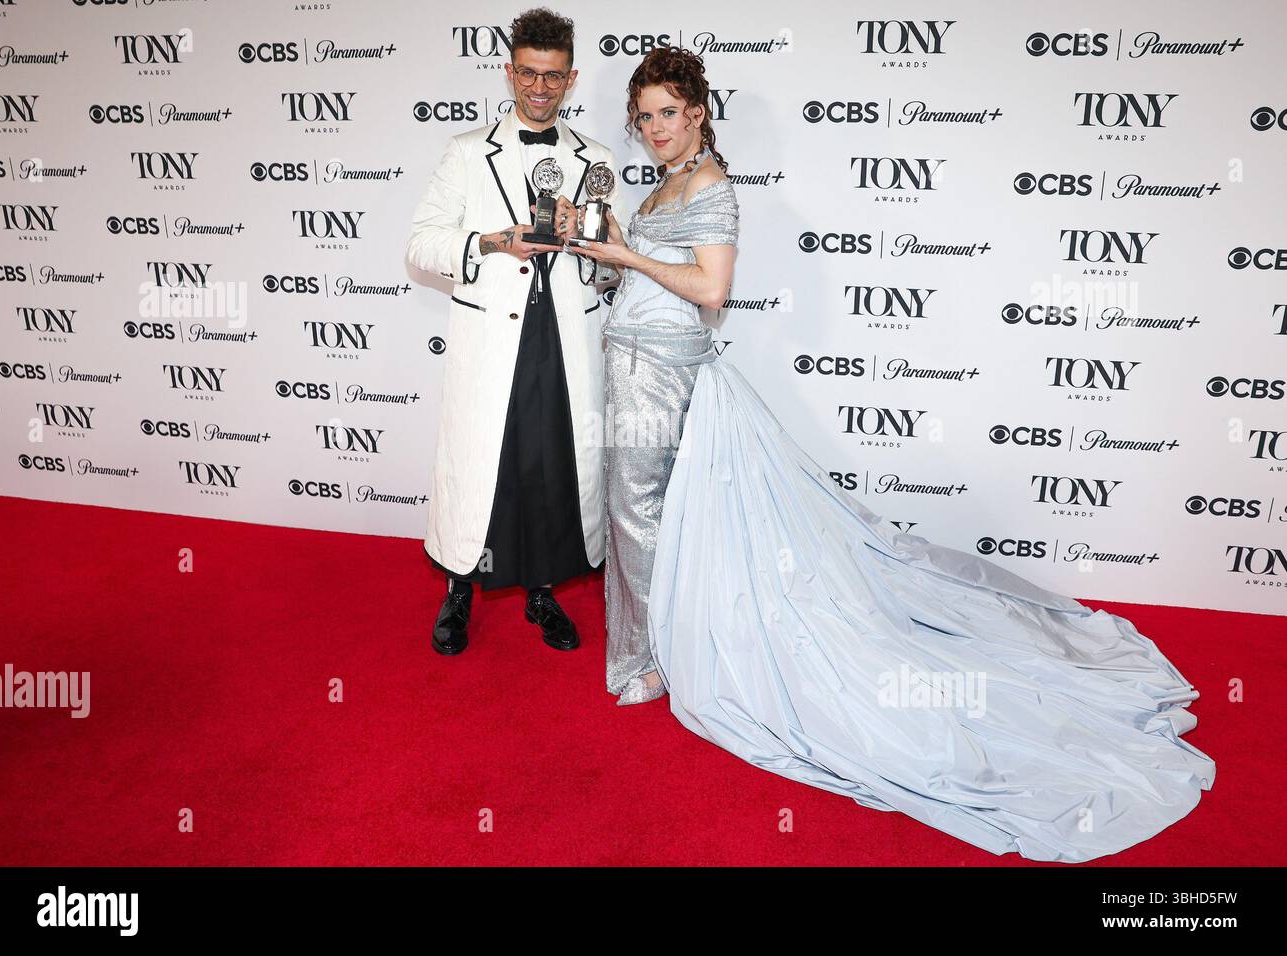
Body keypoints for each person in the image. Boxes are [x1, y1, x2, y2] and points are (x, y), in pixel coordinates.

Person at [570, 46, 1215, 862]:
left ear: (698, 112)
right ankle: (663, 649)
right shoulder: (657, 187)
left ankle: (660, 657)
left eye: (668, 112)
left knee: (644, 514)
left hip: (664, 373)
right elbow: (649, 281)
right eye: (645, 115)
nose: (656, 128)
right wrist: (604, 256)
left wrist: (622, 254)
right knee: (654, 516)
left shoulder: (712, 188)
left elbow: (710, 291)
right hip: (634, 364)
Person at [405, 8, 629, 656]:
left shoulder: (596, 159)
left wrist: (597, 245)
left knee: (552, 464)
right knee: (485, 464)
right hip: (491, 340)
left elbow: (612, 274)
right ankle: (457, 590)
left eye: (552, 76)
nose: (539, 87)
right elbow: (422, 244)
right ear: (508, 71)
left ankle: (542, 588)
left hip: (565, 339)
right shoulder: (467, 153)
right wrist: (493, 241)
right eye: (528, 73)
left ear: (571, 78)